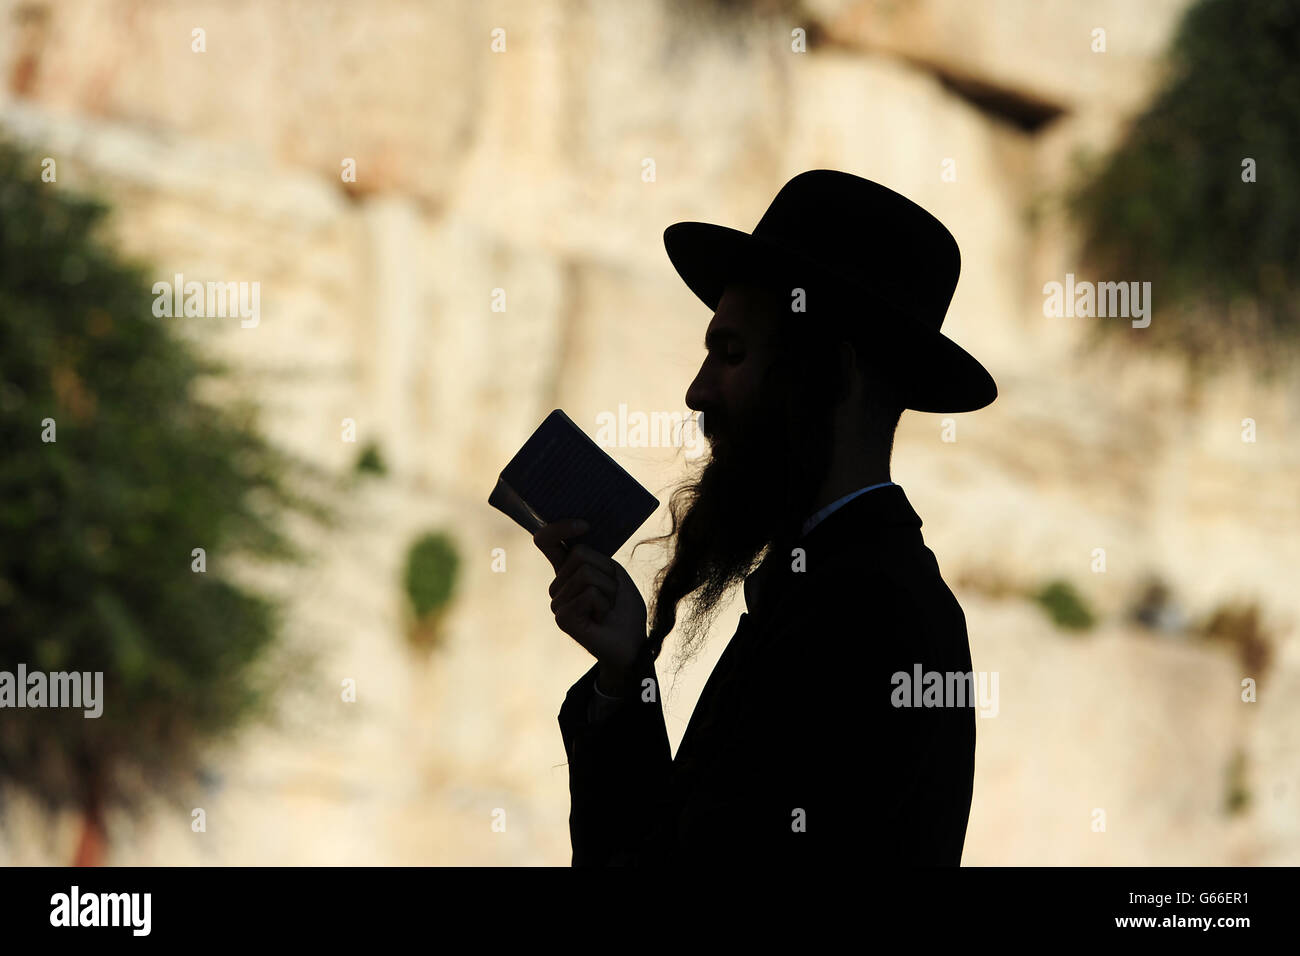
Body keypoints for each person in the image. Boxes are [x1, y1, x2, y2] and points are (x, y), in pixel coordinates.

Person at [533, 170, 998, 866]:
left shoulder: (871, 614)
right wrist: (626, 671)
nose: (697, 391)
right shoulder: (826, 587)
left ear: (831, 374)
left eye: (732, 354)